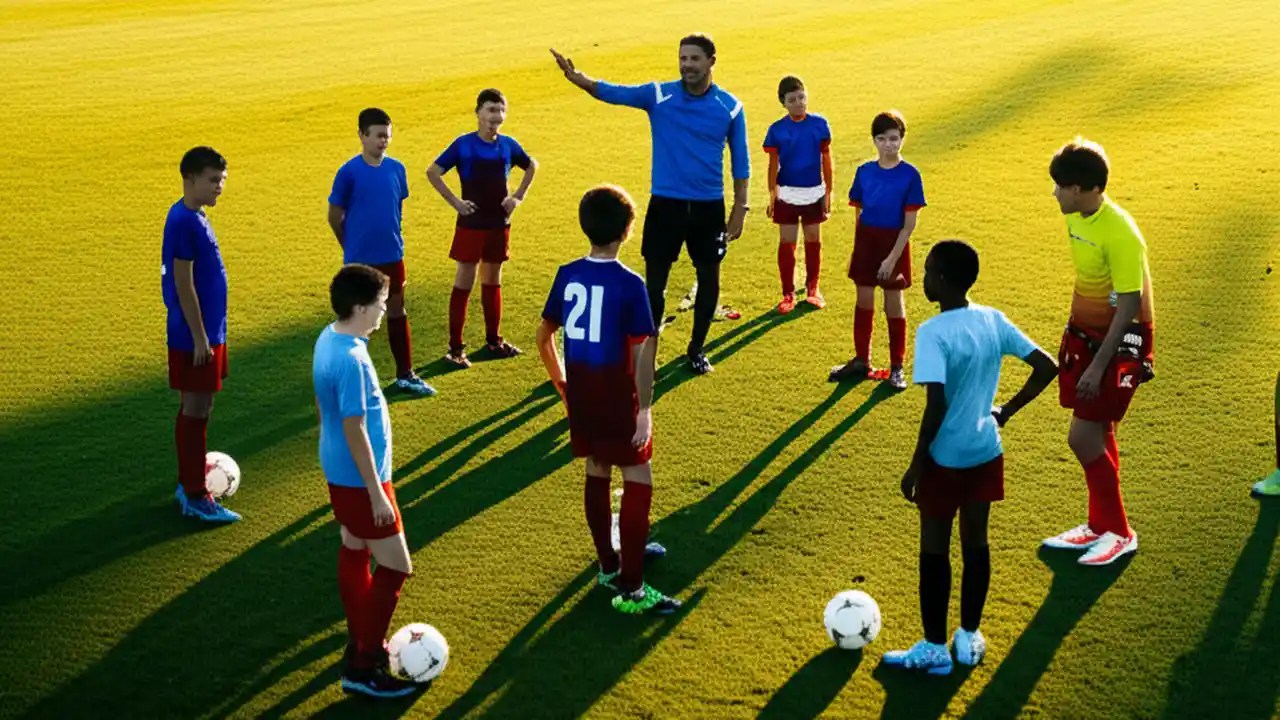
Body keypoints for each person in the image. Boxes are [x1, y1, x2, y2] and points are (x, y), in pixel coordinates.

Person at [883, 240, 1058, 675]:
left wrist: (917, 465)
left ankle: (933, 649)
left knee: (934, 549)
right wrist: (1005, 412)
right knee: (976, 544)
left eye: (926, 272)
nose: (922, 278)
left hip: (946, 458)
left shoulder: (932, 333)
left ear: (941, 281)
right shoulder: (992, 319)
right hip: (986, 451)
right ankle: (968, 637)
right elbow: (1046, 366)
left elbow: (936, 407)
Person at [551, 33, 750, 375]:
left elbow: (741, 162)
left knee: (710, 281)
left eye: (694, 59)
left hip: (708, 209)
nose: (687, 65)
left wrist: (740, 209)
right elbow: (614, 92)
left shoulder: (730, 107)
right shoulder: (659, 95)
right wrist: (577, 78)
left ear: (711, 62)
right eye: (683, 58)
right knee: (654, 286)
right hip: (666, 207)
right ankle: (647, 351)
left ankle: (696, 349)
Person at [535, 185, 681, 615]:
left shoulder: (567, 273)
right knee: (639, 478)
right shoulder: (630, 284)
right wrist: (645, 412)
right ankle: (633, 590)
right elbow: (641, 356)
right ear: (627, 231)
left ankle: (607, 564)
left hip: (581, 388)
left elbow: (544, 336)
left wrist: (562, 385)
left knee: (596, 468)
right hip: (618, 392)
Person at [1041, 138, 1155, 566]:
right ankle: (1099, 524)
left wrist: (1099, 366)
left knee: (1082, 435)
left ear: (1082, 189)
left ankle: (1120, 533)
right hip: (1087, 334)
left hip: (1119, 341)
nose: (1054, 193)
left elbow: (1128, 305)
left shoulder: (1120, 232)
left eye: (1060, 186)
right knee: (1100, 430)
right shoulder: (1078, 216)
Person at [314, 264, 419, 698]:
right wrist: (377, 493)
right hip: (362, 481)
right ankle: (363, 664)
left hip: (339, 471)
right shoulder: (354, 360)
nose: (383, 312)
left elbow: (328, 414)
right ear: (359, 307)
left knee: (354, 548)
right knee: (397, 566)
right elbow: (355, 427)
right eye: (378, 305)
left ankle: (358, 640)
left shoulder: (329, 337)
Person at [426, 88, 538, 367]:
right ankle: (455, 349)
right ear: (477, 113)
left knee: (493, 280)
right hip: (471, 224)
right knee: (464, 280)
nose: (495, 116)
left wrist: (518, 197)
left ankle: (493, 341)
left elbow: (531, 165)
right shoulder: (464, 145)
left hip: (498, 223)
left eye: (500, 111)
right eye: (490, 110)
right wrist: (456, 202)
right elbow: (433, 172)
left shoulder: (508, 145)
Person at [327, 108, 435, 396]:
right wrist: (348, 246)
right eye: (377, 136)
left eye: (386, 136)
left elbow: (397, 209)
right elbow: (334, 215)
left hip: (392, 254)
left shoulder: (396, 169)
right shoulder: (348, 172)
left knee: (397, 310)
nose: (382, 141)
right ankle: (348, 380)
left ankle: (405, 375)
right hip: (360, 258)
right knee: (358, 318)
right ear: (362, 135)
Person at [162, 146, 241, 523]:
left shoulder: (195, 215)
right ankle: (195, 494)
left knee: (199, 407)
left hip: (208, 332)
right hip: (195, 336)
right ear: (189, 178)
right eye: (212, 180)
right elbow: (183, 282)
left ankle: (188, 483)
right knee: (196, 409)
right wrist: (198, 338)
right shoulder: (183, 221)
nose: (219, 187)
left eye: (222, 180)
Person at [829, 111, 925, 390]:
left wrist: (891, 258)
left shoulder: (910, 175)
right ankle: (862, 360)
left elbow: (908, 226)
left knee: (893, 304)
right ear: (874, 140)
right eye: (882, 139)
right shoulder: (864, 172)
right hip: (866, 243)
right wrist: (858, 250)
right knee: (864, 302)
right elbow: (858, 211)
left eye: (894, 139)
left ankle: (897, 367)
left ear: (902, 139)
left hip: (893, 244)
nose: (888, 145)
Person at [763, 75, 832, 313]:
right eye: (793, 99)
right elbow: (772, 166)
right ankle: (788, 294)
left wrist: (828, 192)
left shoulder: (819, 125)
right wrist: (772, 194)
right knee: (787, 241)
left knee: (813, 239)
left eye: (802, 97)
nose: (799, 103)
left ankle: (813, 288)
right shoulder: (777, 130)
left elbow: (826, 160)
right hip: (787, 193)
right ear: (783, 102)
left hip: (813, 191)